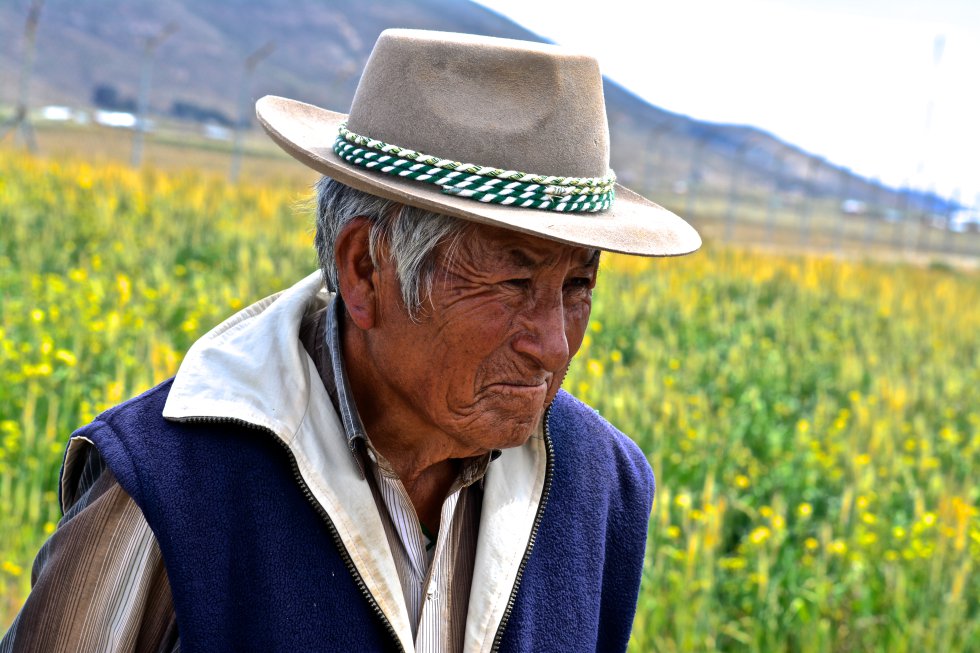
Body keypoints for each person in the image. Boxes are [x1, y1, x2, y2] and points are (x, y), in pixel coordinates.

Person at [1, 29, 699, 653]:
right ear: (365, 269)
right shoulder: (173, 484)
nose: (554, 345)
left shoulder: (600, 484)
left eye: (578, 286)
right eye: (513, 283)